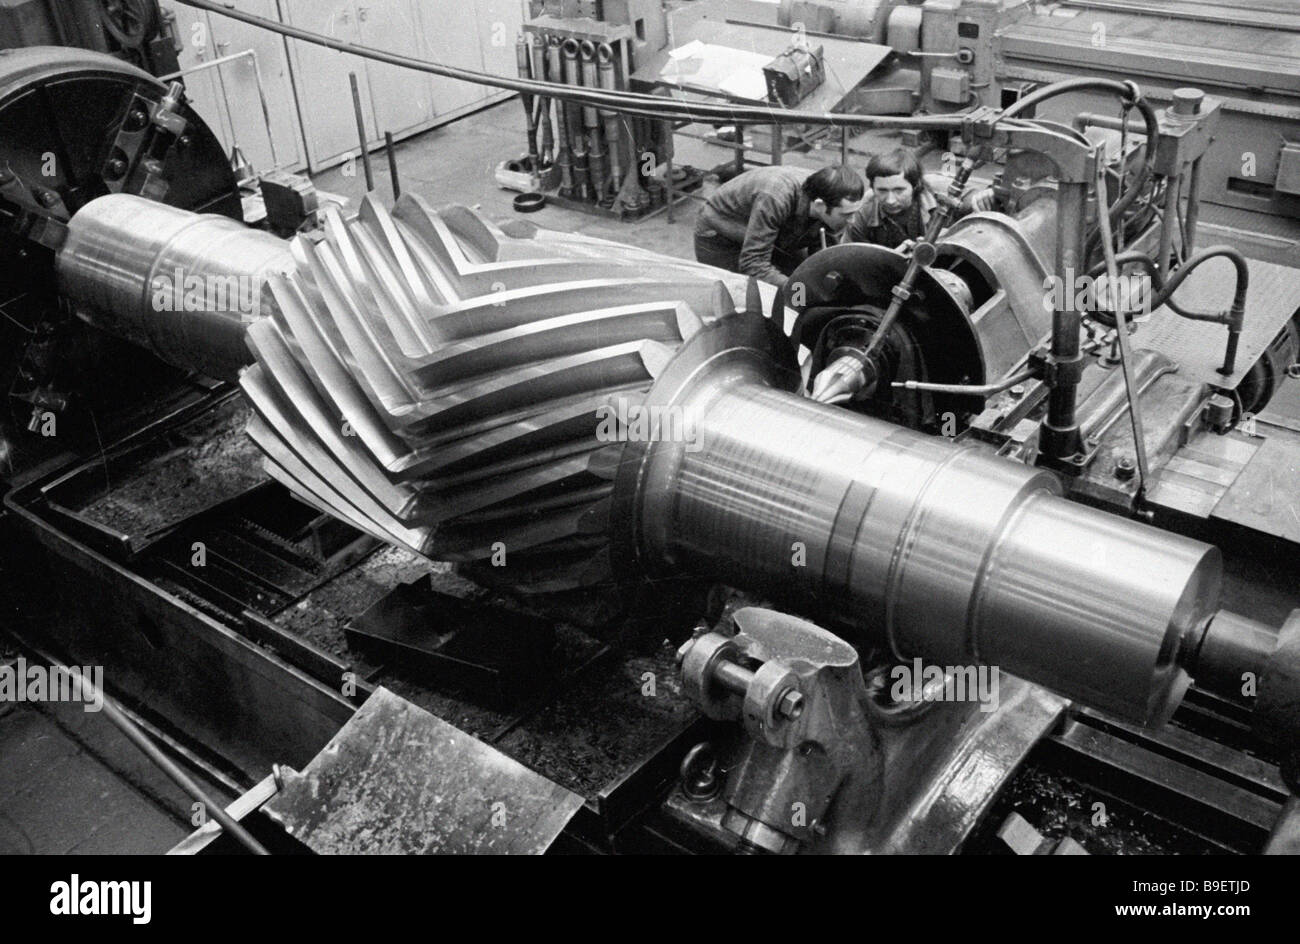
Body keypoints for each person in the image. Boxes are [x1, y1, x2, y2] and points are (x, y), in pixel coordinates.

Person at [694, 164, 865, 289]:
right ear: (819, 205)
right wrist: (801, 293)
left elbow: (823, 254)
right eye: (846, 215)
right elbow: (753, 264)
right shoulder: (775, 197)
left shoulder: (830, 192)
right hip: (721, 235)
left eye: (854, 212)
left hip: (769, 231)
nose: (852, 220)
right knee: (743, 298)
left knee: (800, 278)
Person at [844, 148, 996, 249]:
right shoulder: (862, 214)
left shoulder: (942, 190)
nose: (890, 200)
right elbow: (853, 259)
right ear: (872, 186)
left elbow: (975, 200)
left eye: (899, 190)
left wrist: (984, 199)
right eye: (882, 190)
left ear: (916, 184)